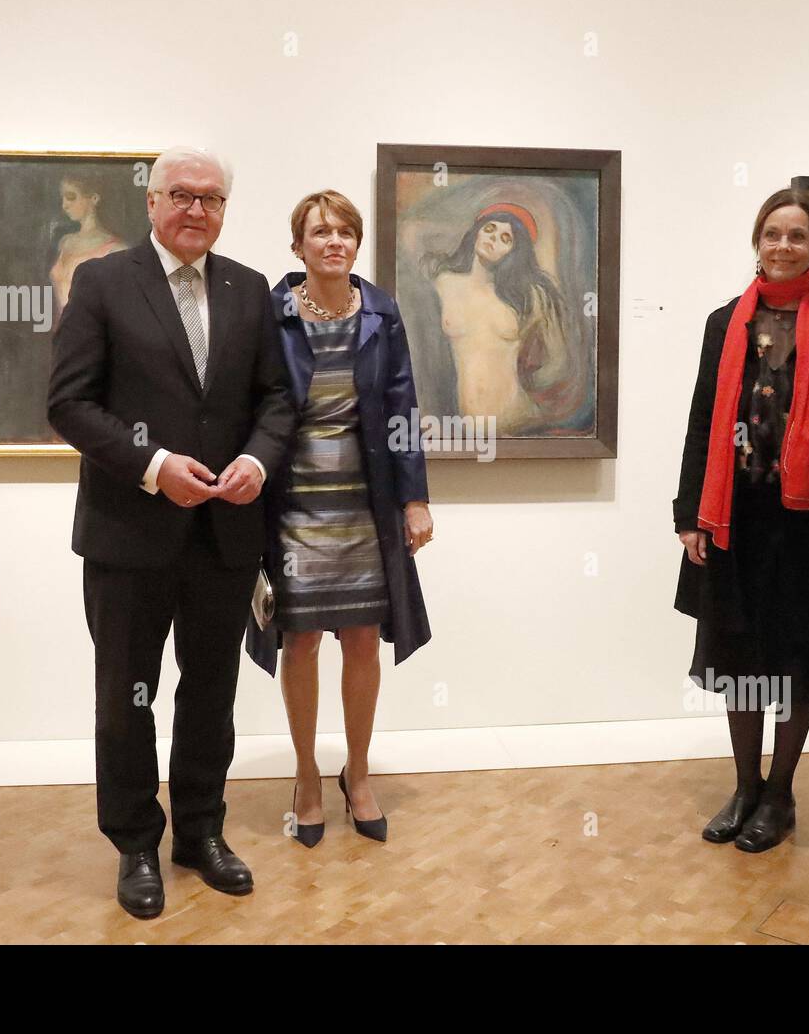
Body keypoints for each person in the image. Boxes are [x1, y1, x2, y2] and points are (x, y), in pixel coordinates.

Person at [47, 146, 297, 919]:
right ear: (151, 201)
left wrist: (257, 459)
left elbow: (277, 399)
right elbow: (68, 402)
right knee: (128, 697)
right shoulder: (102, 281)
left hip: (225, 534)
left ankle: (200, 832)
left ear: (225, 210)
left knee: (211, 693)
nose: (196, 209)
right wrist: (154, 465)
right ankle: (134, 844)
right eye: (181, 194)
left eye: (211, 198)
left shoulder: (249, 288)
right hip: (129, 535)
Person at [246, 190, 432, 848]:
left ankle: (358, 772)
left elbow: (402, 405)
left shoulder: (381, 310)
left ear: (356, 243)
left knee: (361, 638)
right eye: (320, 231)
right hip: (293, 504)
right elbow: (252, 405)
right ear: (298, 245)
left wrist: (415, 498)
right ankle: (305, 776)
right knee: (298, 641)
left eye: (345, 232)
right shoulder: (271, 312)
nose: (334, 241)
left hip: (364, 505)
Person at [673, 188, 809, 854]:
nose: (783, 245)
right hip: (734, 515)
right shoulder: (727, 321)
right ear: (758, 239)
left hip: (808, 520)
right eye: (773, 233)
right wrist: (689, 514)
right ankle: (745, 787)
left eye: (797, 235)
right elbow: (702, 418)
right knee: (738, 653)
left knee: (797, 657)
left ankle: (781, 794)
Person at [424, 204, 582, 434]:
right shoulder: (443, 284)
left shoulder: (529, 296)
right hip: (462, 425)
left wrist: (528, 374)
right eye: (489, 229)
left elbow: (557, 363)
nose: (493, 239)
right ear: (476, 232)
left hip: (517, 422)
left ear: (514, 251)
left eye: (505, 238)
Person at [49, 172, 128, 317]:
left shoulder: (116, 250)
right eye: (63, 198)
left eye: (71, 197)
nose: (64, 205)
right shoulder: (65, 242)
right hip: (62, 329)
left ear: (94, 198)